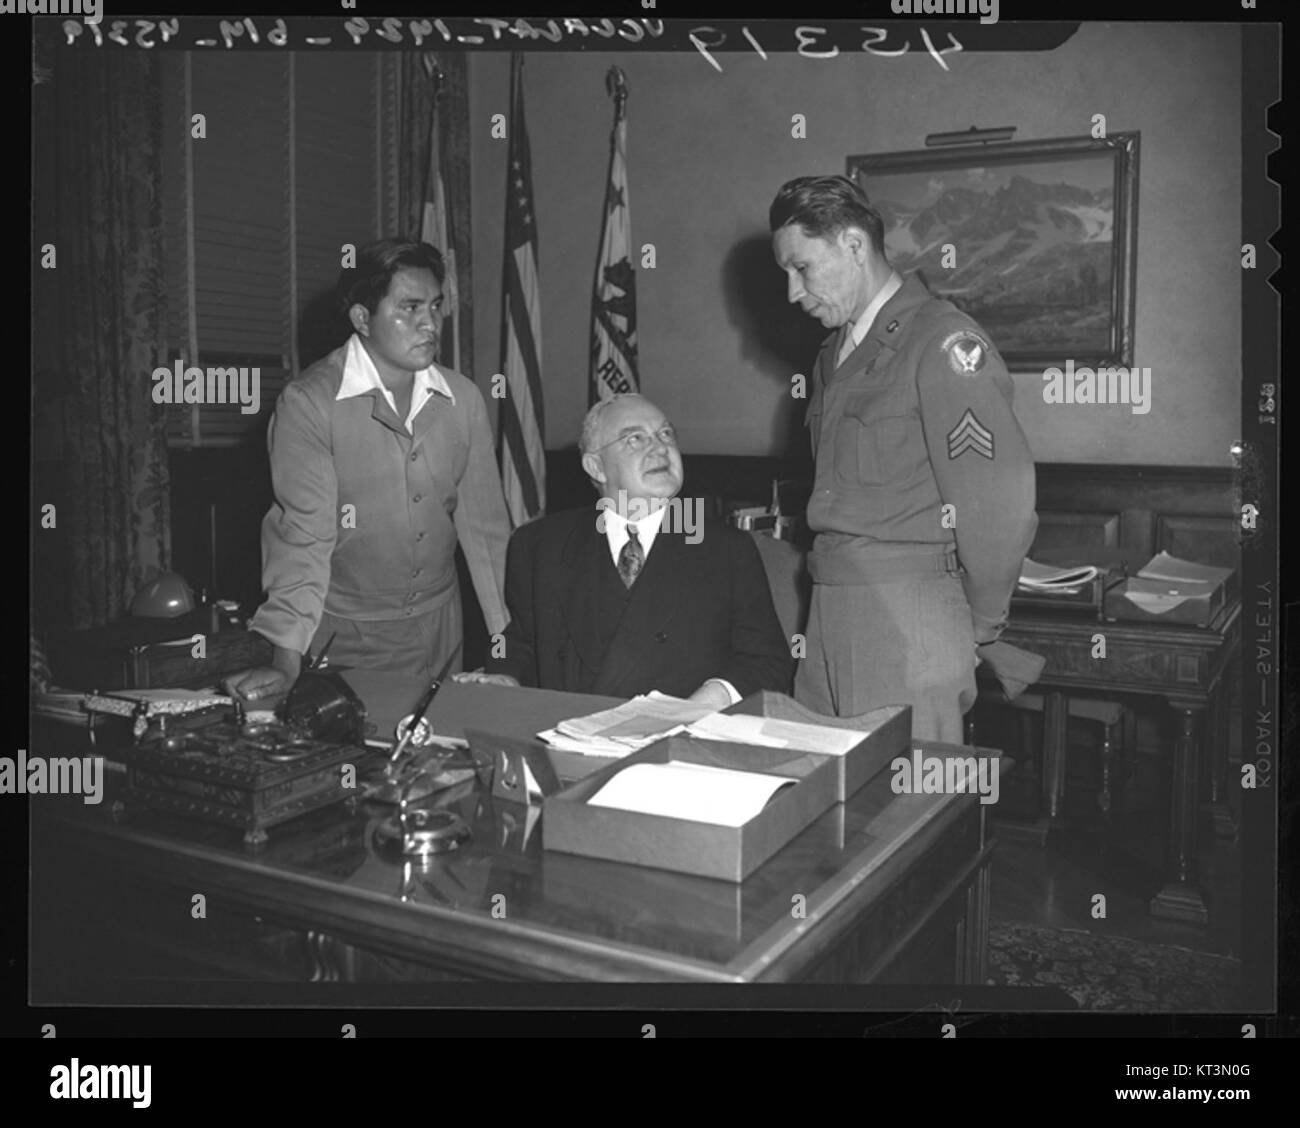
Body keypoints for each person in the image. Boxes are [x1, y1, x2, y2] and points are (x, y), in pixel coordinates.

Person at [769, 175, 1040, 743]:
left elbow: (998, 505)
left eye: (802, 268)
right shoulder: (834, 355)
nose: (793, 293)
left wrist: (981, 623)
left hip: (908, 614)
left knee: (911, 812)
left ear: (852, 245)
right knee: (825, 811)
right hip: (826, 611)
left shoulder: (942, 342)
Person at [228, 238, 511, 703]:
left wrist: (506, 647)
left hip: (444, 630)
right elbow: (304, 538)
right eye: (410, 307)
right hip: (349, 640)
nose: (430, 323)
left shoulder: (464, 399)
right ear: (363, 318)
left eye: (436, 306)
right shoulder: (310, 403)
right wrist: (286, 659)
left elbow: (486, 534)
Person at [460, 393, 793, 706]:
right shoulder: (539, 545)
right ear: (596, 467)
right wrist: (504, 676)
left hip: (677, 745)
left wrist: (712, 697)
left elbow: (768, 662)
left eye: (666, 434)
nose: (661, 448)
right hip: (567, 739)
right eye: (636, 438)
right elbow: (520, 641)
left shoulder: (726, 549)